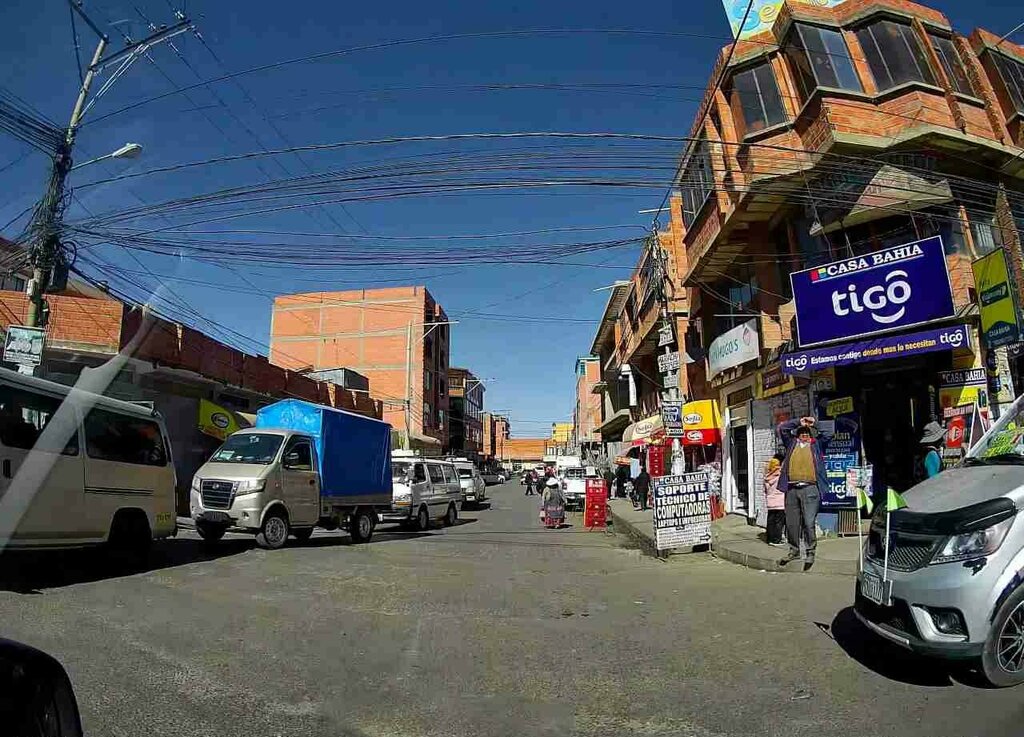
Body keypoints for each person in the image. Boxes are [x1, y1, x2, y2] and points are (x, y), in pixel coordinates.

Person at [776, 416, 833, 570]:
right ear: (797, 435)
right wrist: (798, 422)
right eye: (802, 433)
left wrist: (815, 422)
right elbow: (783, 429)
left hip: (810, 489)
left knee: (808, 523)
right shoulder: (791, 444)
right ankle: (794, 551)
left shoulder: (817, 445)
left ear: (811, 435)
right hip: (791, 489)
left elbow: (830, 430)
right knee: (792, 523)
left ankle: (810, 552)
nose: (804, 435)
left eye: (807, 433)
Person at [763, 453, 786, 546]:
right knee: (779, 522)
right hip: (780, 502)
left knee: (770, 521)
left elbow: (765, 490)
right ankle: (776, 540)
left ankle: (769, 539)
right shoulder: (780, 475)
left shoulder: (766, 476)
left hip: (770, 502)